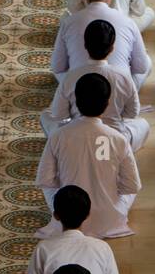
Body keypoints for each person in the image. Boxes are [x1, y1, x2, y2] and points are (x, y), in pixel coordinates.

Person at [36, 75, 141, 241]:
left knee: (49, 185)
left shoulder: (58, 136)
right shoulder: (117, 138)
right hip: (108, 219)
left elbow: (44, 180)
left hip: (68, 216)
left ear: (76, 102)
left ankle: (67, 213)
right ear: (107, 104)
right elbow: (131, 186)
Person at [41, 21, 149, 153]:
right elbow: (132, 113)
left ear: (85, 45)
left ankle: (61, 148)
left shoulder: (71, 76)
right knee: (143, 125)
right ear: (112, 47)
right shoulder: (123, 76)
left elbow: (59, 114)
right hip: (114, 141)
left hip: (77, 141)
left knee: (46, 116)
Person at [51, 0, 151, 88]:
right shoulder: (128, 22)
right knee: (147, 62)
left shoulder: (69, 22)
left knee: (62, 72)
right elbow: (141, 67)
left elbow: (57, 66)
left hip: (79, 90)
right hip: (118, 91)